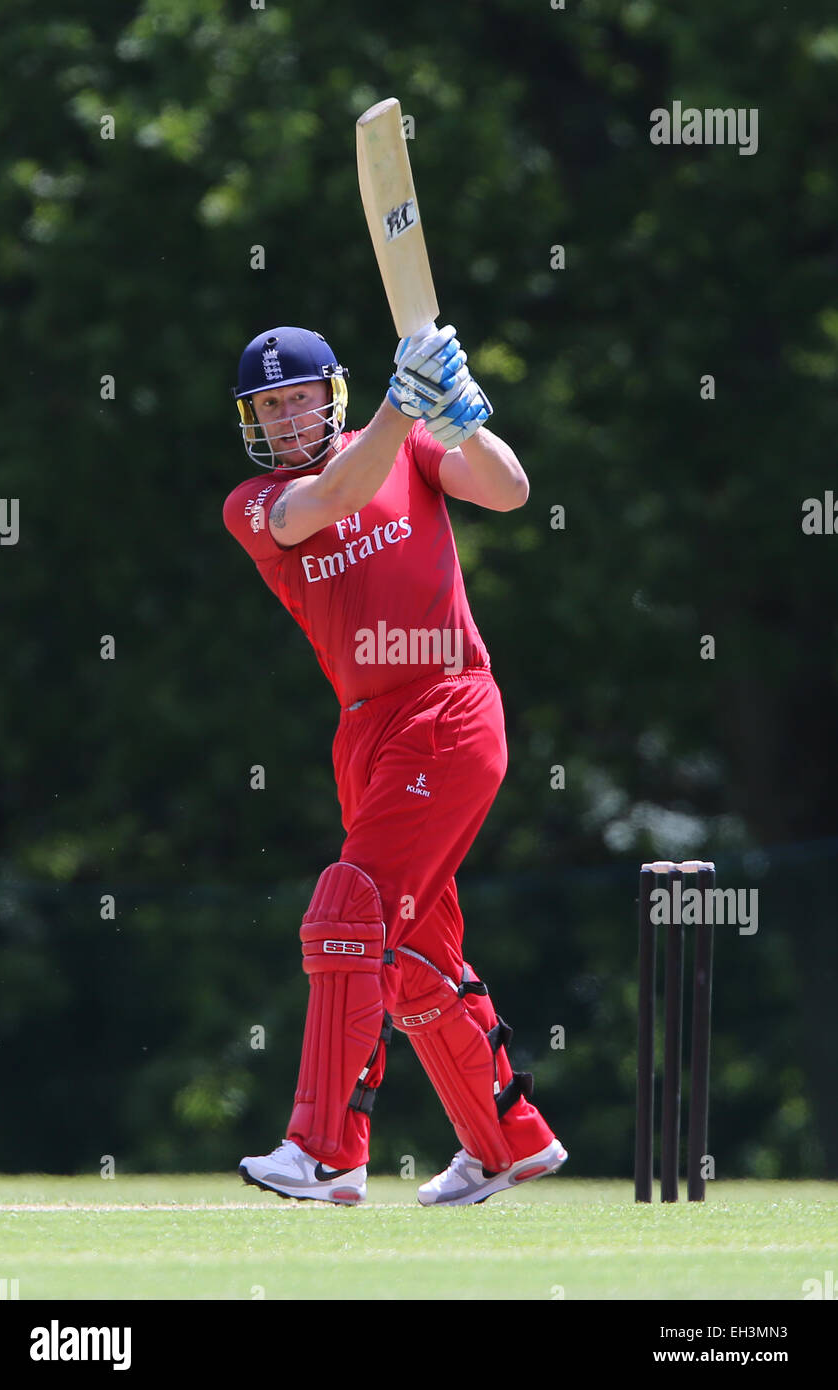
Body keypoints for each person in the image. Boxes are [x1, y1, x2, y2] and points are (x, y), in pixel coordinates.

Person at [223, 323, 567, 1205]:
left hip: (448, 701)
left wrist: (459, 418)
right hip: (368, 730)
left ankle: (328, 1149)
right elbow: (331, 498)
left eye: (298, 395)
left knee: (351, 906)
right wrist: (400, 405)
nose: (285, 415)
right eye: (267, 404)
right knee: (410, 950)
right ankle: (508, 1143)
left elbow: (510, 490)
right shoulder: (255, 503)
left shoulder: (409, 444)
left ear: (330, 394)